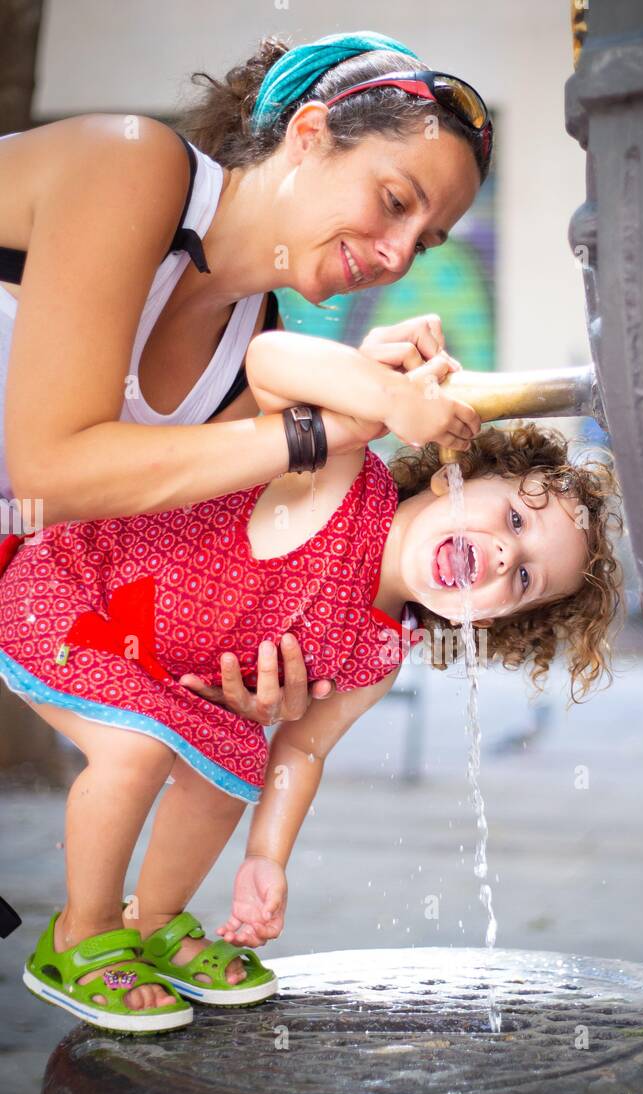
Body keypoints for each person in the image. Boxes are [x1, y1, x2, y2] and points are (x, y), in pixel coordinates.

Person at [0, 334, 622, 1032]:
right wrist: (390, 398)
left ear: (504, 619)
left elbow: (298, 752)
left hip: (157, 679)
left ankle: (156, 922)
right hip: (76, 589)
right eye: (513, 518)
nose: (507, 554)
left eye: (526, 579)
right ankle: (79, 935)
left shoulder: (381, 649)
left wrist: (266, 858)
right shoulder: (339, 470)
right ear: (455, 470)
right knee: (137, 752)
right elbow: (267, 359)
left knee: (232, 760)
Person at [0, 29, 490, 725]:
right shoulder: (131, 166)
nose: (398, 254)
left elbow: (106, 555)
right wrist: (312, 430)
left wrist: (252, 679)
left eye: (426, 241)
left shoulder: (252, 359)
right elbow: (49, 472)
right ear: (310, 134)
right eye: (395, 200)